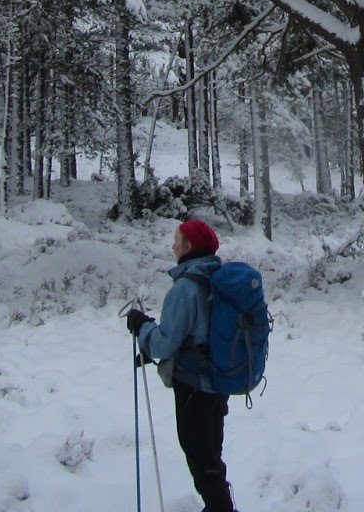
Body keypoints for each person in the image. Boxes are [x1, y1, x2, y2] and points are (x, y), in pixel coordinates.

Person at [126, 218, 239, 512]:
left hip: (193, 386)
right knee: (211, 456)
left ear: (188, 247)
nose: (173, 246)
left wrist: (142, 328)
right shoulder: (218, 278)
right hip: (219, 382)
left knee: (201, 460)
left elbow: (165, 343)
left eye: (176, 241)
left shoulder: (186, 288)